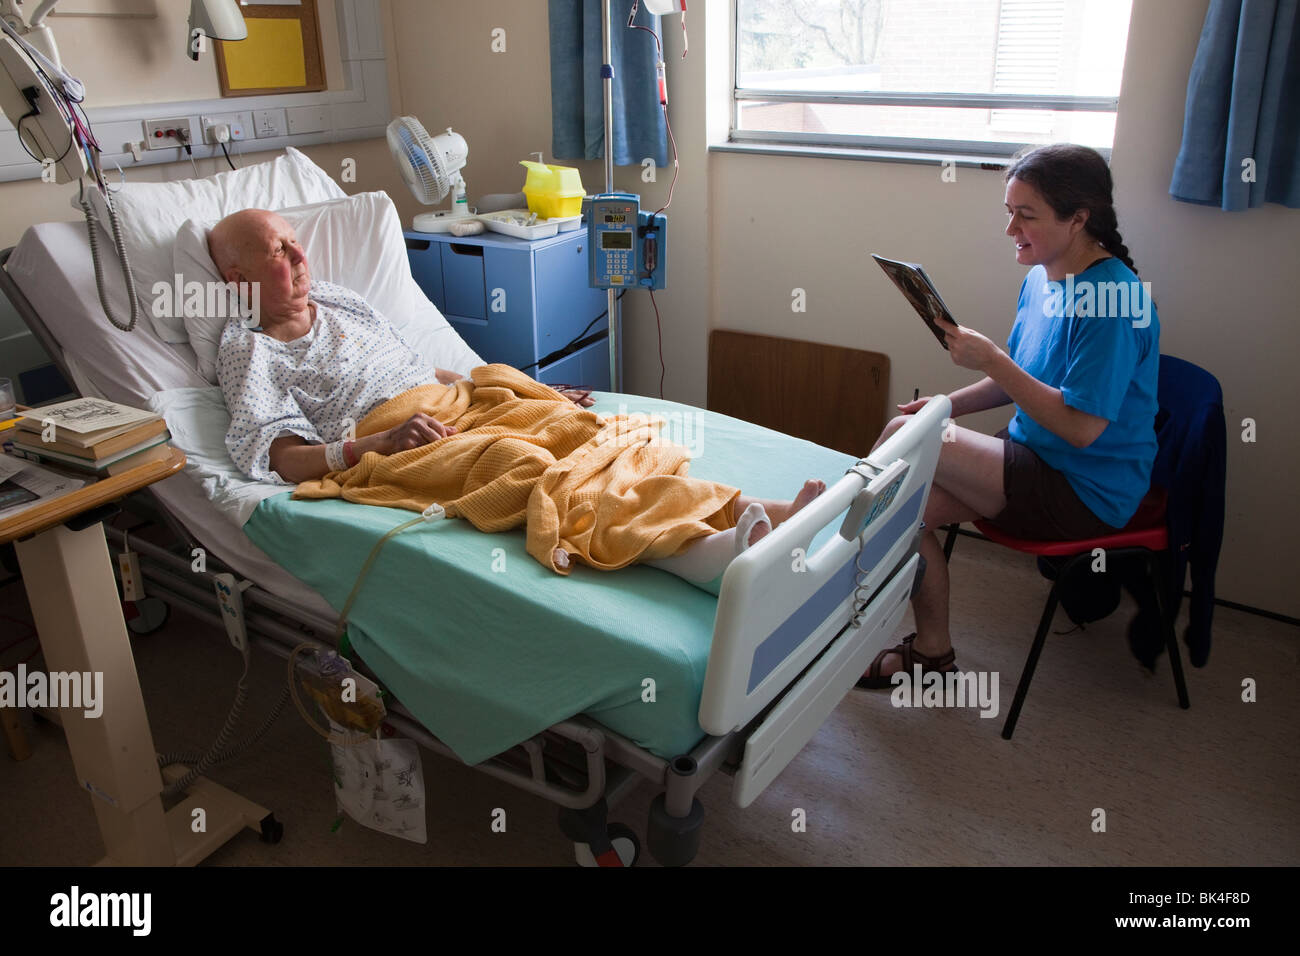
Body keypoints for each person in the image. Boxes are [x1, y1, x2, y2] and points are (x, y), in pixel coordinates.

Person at [209, 209, 825, 585]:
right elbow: (281, 455)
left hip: (458, 403)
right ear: (239, 278)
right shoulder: (250, 348)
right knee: (525, 468)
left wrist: (525, 391)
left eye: (295, 240)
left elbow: (418, 365)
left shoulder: (342, 299)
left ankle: (746, 509)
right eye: (278, 251)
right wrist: (377, 443)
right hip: (398, 443)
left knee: (587, 435)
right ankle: (701, 553)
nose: (299, 254)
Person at [858, 143, 1160, 687]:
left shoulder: (1114, 300)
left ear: (1079, 219)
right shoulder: (1043, 279)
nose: (1010, 229)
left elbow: (1081, 427)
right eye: (1009, 212)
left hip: (1085, 488)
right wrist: (950, 403)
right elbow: (1018, 381)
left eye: (1026, 215)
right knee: (899, 511)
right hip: (1031, 454)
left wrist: (992, 357)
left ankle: (831, 557)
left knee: (904, 443)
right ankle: (933, 653)